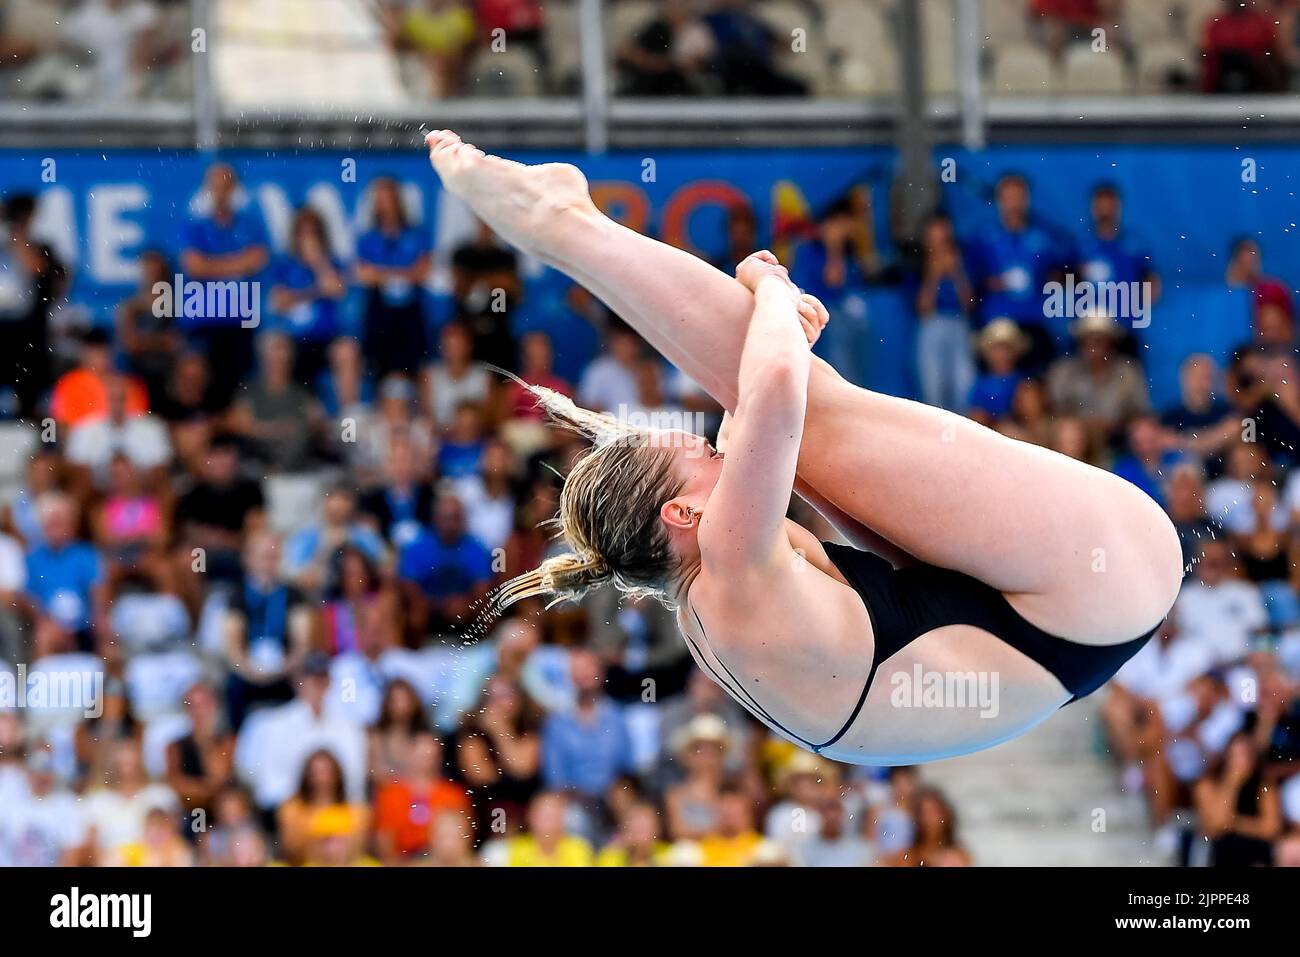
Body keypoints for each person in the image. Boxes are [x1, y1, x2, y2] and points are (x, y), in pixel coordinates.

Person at [426, 130, 1184, 766]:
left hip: (1056, 627)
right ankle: (558, 226)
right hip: (1093, 587)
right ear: (682, 508)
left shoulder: (700, 598)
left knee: (790, 425)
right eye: (694, 452)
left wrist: (769, 344)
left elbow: (761, 412)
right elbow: (781, 388)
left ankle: (564, 227)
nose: (712, 445)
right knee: (803, 414)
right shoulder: (728, 551)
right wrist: (771, 288)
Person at [356, 176, 432, 378]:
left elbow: (423, 272)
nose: (384, 205)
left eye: (387, 198)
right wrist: (405, 273)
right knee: (378, 367)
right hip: (380, 311)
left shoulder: (416, 234)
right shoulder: (368, 238)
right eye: (379, 200)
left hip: (410, 311)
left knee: (416, 365)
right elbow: (364, 275)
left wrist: (382, 273)